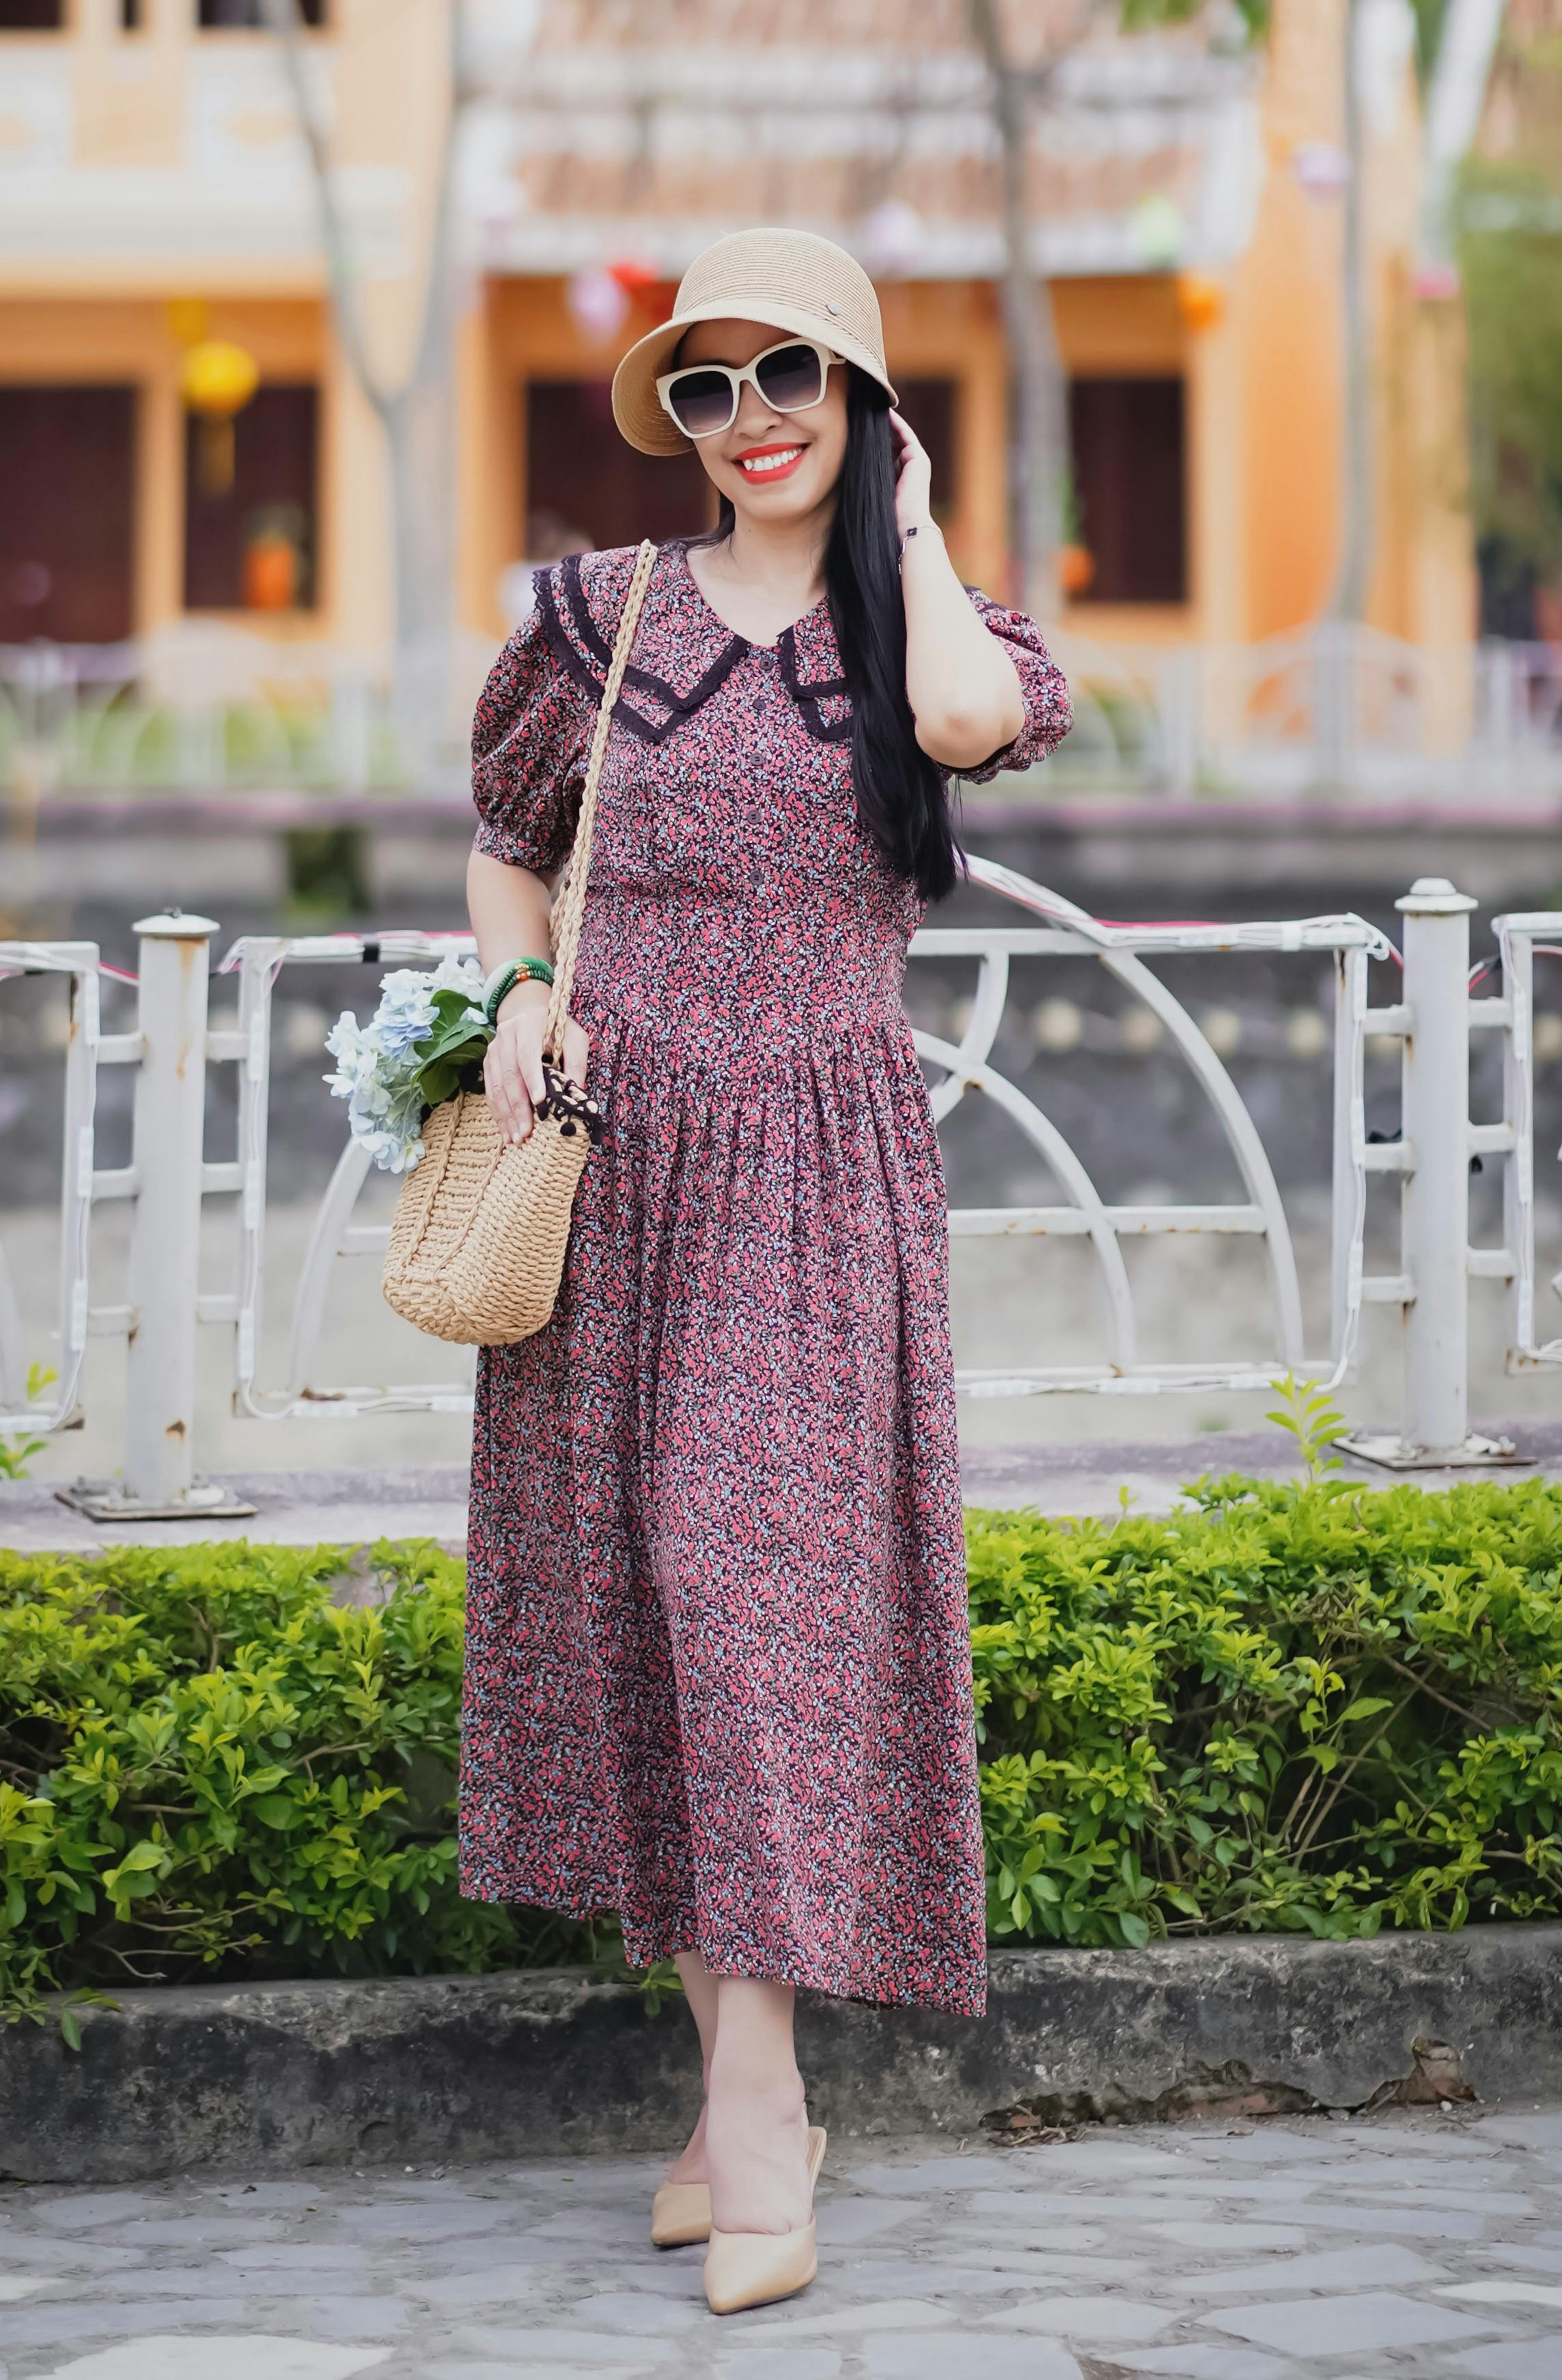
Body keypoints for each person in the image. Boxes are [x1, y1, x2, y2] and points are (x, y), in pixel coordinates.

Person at [460, 226, 1071, 2316]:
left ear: (861, 393)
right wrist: (521, 990)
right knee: (651, 1611)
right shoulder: (599, 616)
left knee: (740, 1594)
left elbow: (978, 720)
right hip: (615, 1158)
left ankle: (761, 2103)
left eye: (791, 372)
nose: (751, 419)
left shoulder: (927, 631)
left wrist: (911, 525)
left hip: (814, 1170)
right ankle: (741, 2116)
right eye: (711, 387)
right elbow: (506, 842)